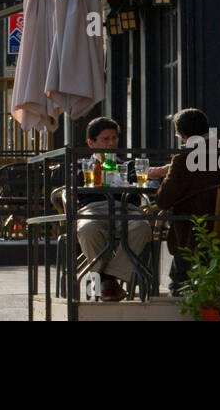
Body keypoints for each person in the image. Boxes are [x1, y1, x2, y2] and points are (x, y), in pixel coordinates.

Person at [148, 108, 220, 294]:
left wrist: (165, 175)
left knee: (173, 225)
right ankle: (186, 282)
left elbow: (163, 200)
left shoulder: (183, 159)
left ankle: (178, 285)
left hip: (194, 225)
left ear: (183, 136)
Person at [76, 117, 152, 302]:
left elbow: (137, 189)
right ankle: (110, 282)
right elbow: (75, 191)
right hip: (93, 210)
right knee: (87, 230)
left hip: (125, 209)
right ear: (91, 143)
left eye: (114, 138)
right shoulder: (81, 166)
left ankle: (105, 279)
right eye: (105, 139)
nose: (111, 143)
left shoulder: (128, 165)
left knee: (142, 227)